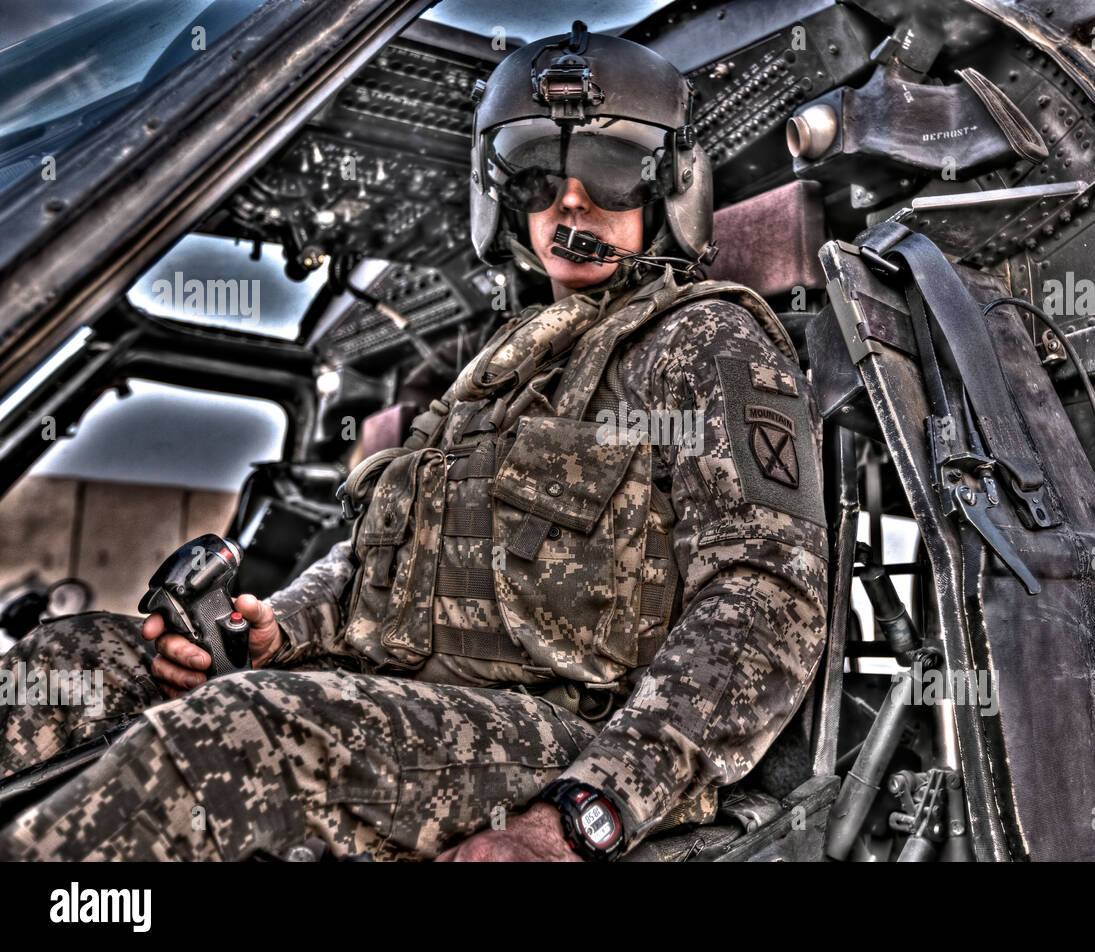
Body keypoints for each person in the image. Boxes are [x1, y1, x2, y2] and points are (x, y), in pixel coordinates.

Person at [0, 23, 828, 862]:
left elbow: (766, 602)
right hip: (416, 703)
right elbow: (376, 561)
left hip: (571, 734)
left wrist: (592, 810)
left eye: (610, 175)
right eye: (539, 178)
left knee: (230, 740)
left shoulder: (705, 341)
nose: (570, 205)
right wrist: (274, 631)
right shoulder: (495, 371)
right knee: (77, 659)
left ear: (667, 189)